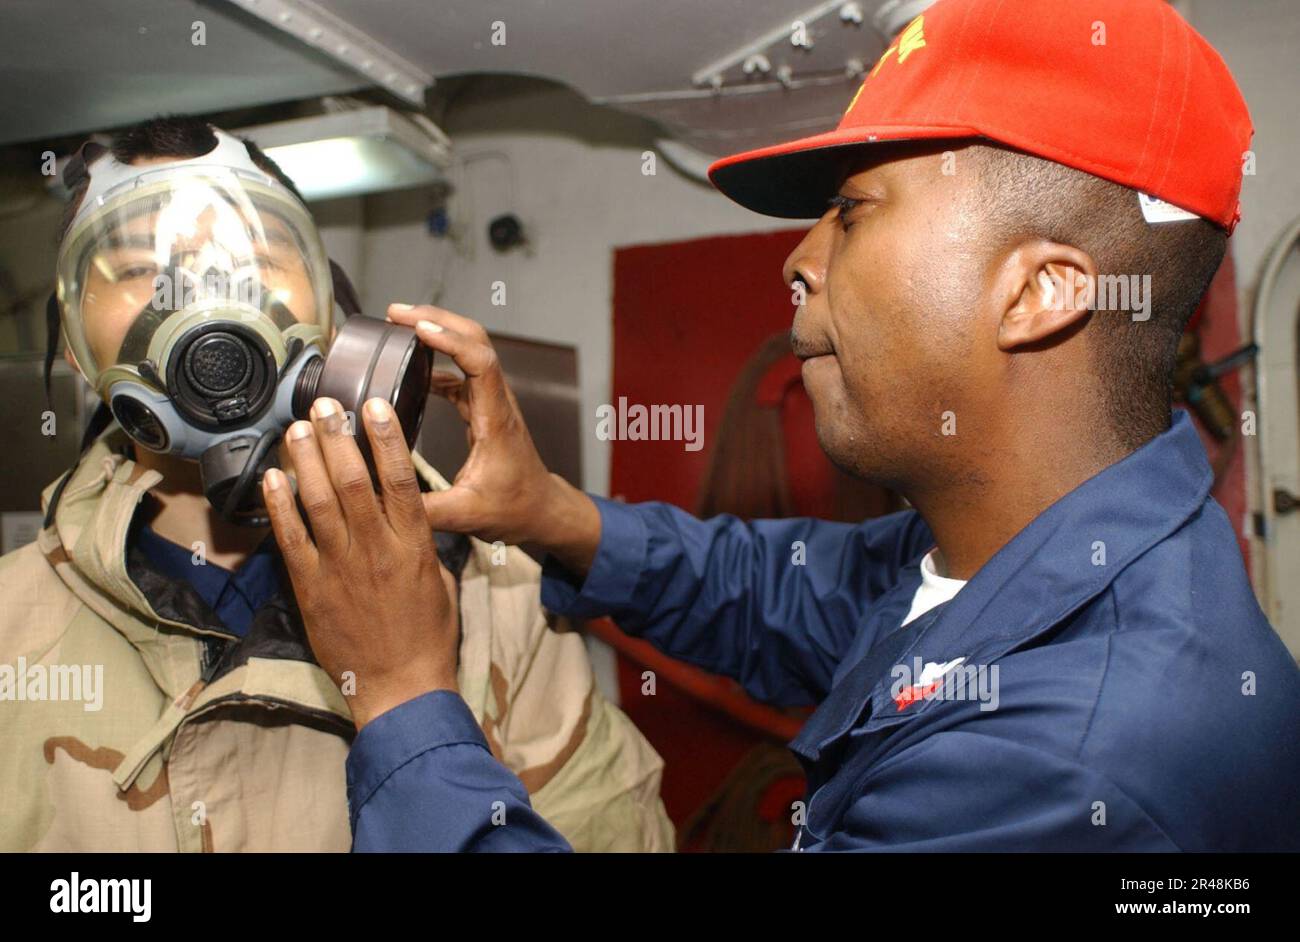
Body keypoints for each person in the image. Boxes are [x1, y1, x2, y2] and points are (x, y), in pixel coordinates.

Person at [267, 0, 1300, 852]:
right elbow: (787, 594)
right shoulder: (1029, 557)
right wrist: (550, 513)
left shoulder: (1067, 763)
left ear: (1037, 294)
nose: (797, 258)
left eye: (852, 211)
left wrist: (402, 695)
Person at [0, 116, 674, 852]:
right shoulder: (12, 634)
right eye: (137, 270)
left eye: (253, 258)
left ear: (330, 311)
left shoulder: (489, 595)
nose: (202, 294)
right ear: (71, 344)